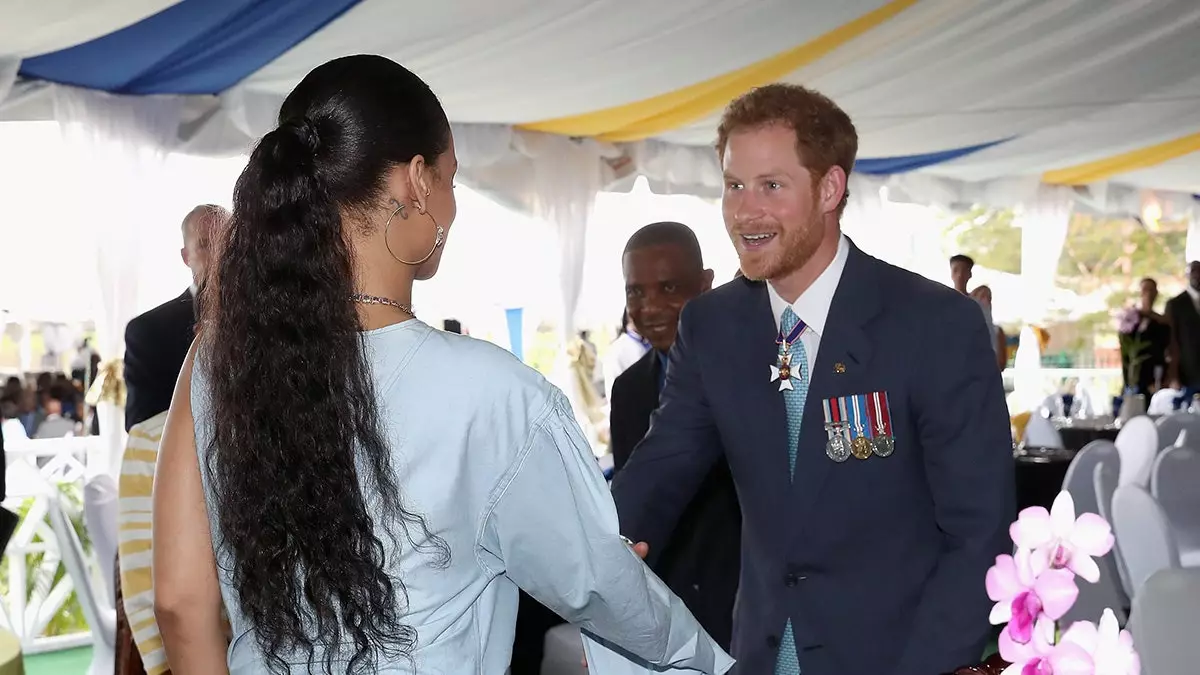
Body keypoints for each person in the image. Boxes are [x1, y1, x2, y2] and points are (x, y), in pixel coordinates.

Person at [151, 55, 731, 675]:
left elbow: (180, 603)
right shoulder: (493, 393)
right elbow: (601, 592)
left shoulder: (215, 362)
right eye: (451, 180)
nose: (451, 207)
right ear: (416, 182)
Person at [612, 83, 1013, 675]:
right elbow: (659, 467)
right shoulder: (713, 326)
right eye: (733, 186)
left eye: (771, 186)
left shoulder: (933, 325)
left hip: (900, 656)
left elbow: (980, 533)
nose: (745, 212)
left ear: (830, 189)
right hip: (762, 651)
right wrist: (577, 547)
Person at [610, 222, 739, 649]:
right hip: (668, 613)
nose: (651, 307)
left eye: (669, 288)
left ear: (705, 285)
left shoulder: (747, 375)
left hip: (741, 607)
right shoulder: (627, 390)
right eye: (636, 292)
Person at [124, 204, 227, 430]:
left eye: (228, 243)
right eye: (206, 245)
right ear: (186, 256)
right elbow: (142, 427)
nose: (220, 254)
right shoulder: (150, 332)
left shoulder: (269, 318)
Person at [1121, 278, 1169, 395]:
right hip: (1134, 377)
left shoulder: (1161, 322)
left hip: (1155, 377)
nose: (1148, 294)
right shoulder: (1130, 319)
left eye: (1151, 290)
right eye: (1145, 290)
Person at [1166, 262, 1200, 394]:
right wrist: (1173, 375)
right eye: (1193, 272)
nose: (1197, 275)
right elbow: (1172, 340)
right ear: (1187, 275)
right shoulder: (1175, 304)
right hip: (1187, 371)